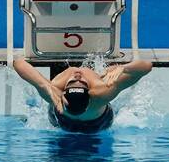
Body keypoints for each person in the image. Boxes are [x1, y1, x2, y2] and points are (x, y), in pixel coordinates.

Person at [13, 57, 153, 133]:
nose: (78, 75)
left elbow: (18, 62)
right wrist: (123, 67)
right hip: (99, 123)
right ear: (90, 92)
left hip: (64, 119)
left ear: (64, 93)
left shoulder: (54, 91)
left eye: (73, 81)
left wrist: (44, 84)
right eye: (82, 82)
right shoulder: (100, 93)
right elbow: (146, 66)